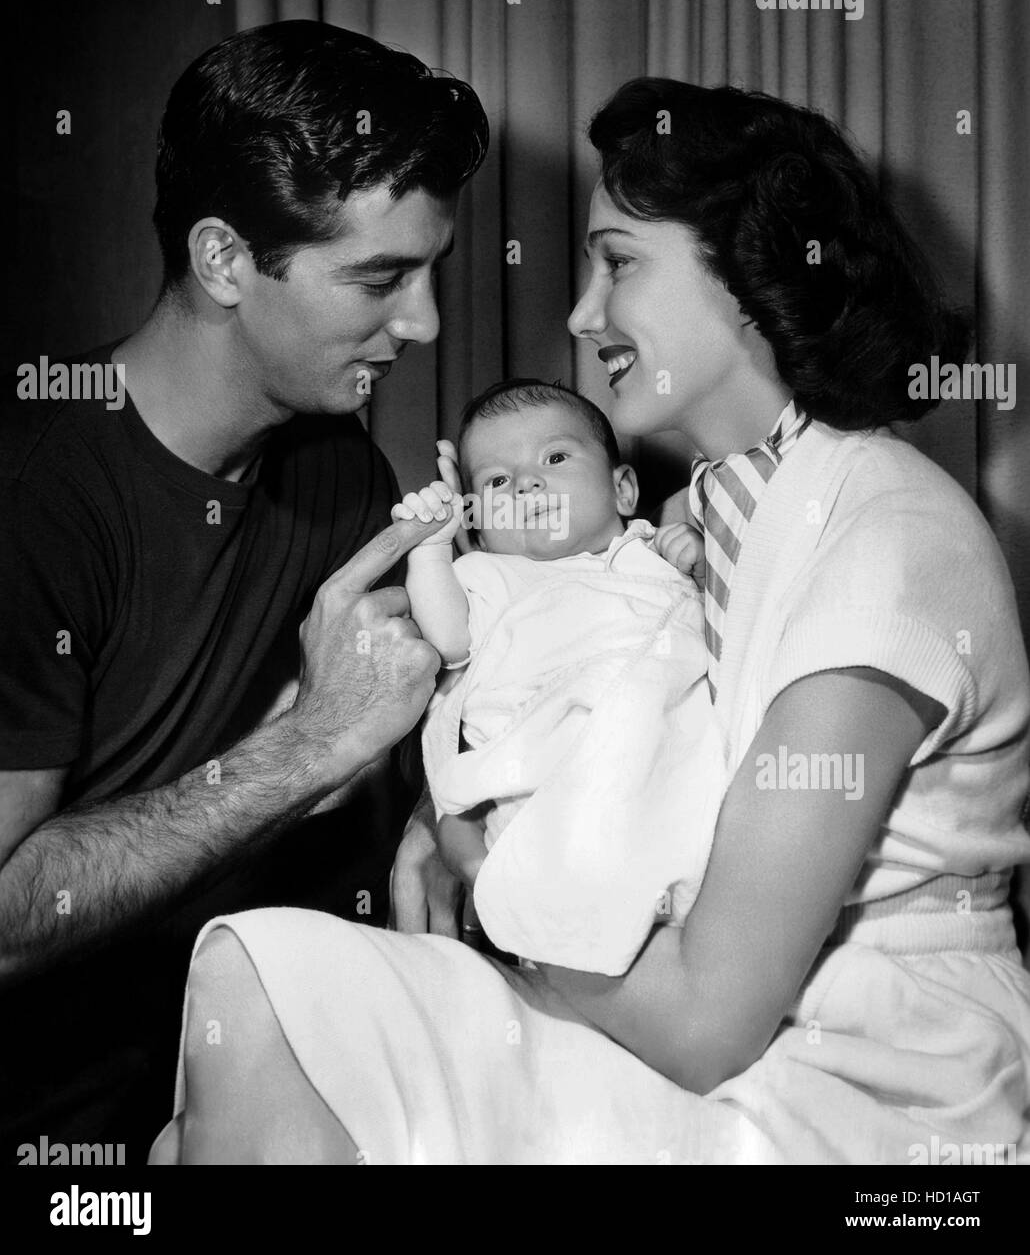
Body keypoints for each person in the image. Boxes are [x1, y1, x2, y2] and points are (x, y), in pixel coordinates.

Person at [151, 78, 1030, 1166]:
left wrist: (476, 850)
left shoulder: (882, 539)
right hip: (702, 1015)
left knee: (267, 992)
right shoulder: (703, 515)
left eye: (618, 262)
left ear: (749, 272)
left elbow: (708, 1022)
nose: (579, 315)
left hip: (869, 1074)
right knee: (250, 1035)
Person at [0, 19, 487, 1162]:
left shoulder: (340, 474)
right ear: (223, 259)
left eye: (429, 273)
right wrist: (304, 746)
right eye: (380, 277)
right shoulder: (32, 498)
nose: (423, 322)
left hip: (242, 1087)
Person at [394, 379, 723, 974]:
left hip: (660, 758)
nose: (526, 483)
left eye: (554, 458)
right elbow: (446, 641)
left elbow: (704, 635)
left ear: (623, 489)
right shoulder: (490, 576)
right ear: (478, 520)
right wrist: (431, 552)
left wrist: (691, 561)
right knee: (568, 918)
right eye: (497, 481)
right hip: (543, 784)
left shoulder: (650, 556)